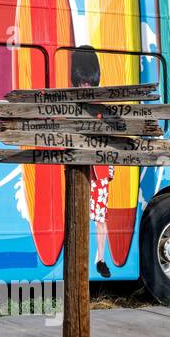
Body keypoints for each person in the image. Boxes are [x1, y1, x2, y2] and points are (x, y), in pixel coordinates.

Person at [69, 46, 113, 278]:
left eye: (87, 81)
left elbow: (110, 141)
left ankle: (100, 258)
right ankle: (83, 256)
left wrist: (110, 172)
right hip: (80, 170)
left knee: (100, 218)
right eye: (80, 82)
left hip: (100, 172)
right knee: (81, 216)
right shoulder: (70, 105)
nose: (84, 85)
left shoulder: (101, 107)